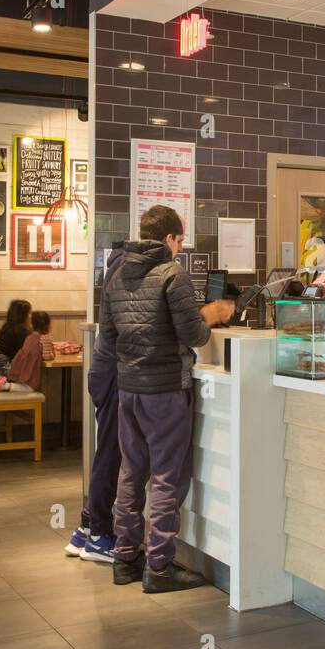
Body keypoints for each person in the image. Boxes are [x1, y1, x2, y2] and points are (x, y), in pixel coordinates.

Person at [101, 206, 233, 592]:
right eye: (180, 240)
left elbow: (108, 339)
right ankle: (158, 566)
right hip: (164, 392)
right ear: (171, 238)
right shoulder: (172, 274)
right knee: (165, 478)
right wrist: (209, 314)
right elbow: (194, 336)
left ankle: (125, 558)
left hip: (128, 389)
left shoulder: (117, 272)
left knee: (131, 472)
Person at [66, 242, 126, 562]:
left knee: (107, 452)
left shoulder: (114, 265)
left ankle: (87, 527)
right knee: (110, 454)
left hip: (104, 370)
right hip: (115, 373)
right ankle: (101, 535)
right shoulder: (128, 269)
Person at [0, 310, 50, 393]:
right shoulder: (40, 338)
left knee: (21, 382)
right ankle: (3, 384)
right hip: (22, 367)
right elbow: (47, 355)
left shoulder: (29, 337)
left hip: (17, 366)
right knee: (31, 388)